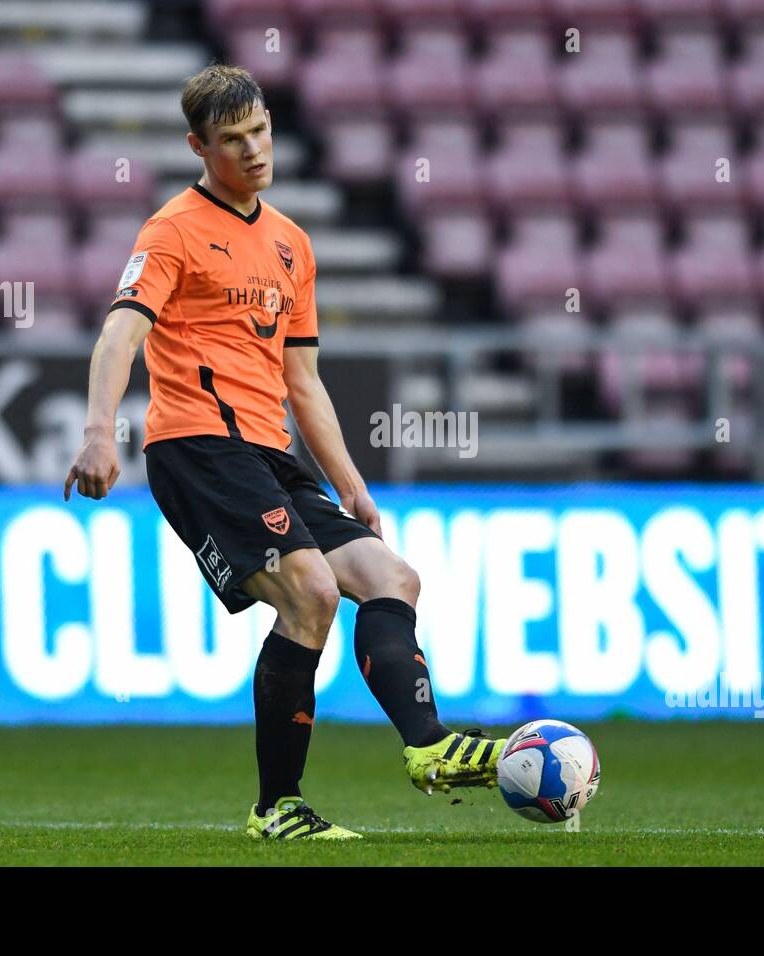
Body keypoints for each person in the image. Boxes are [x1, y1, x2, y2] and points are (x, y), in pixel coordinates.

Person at [64, 65, 504, 840]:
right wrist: (102, 431)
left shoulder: (292, 245)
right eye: (232, 141)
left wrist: (352, 485)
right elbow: (119, 334)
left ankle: (430, 749)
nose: (254, 151)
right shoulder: (172, 231)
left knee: (391, 575)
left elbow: (302, 379)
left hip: (269, 453)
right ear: (199, 146)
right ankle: (278, 808)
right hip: (197, 445)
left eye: (260, 131)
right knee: (311, 591)